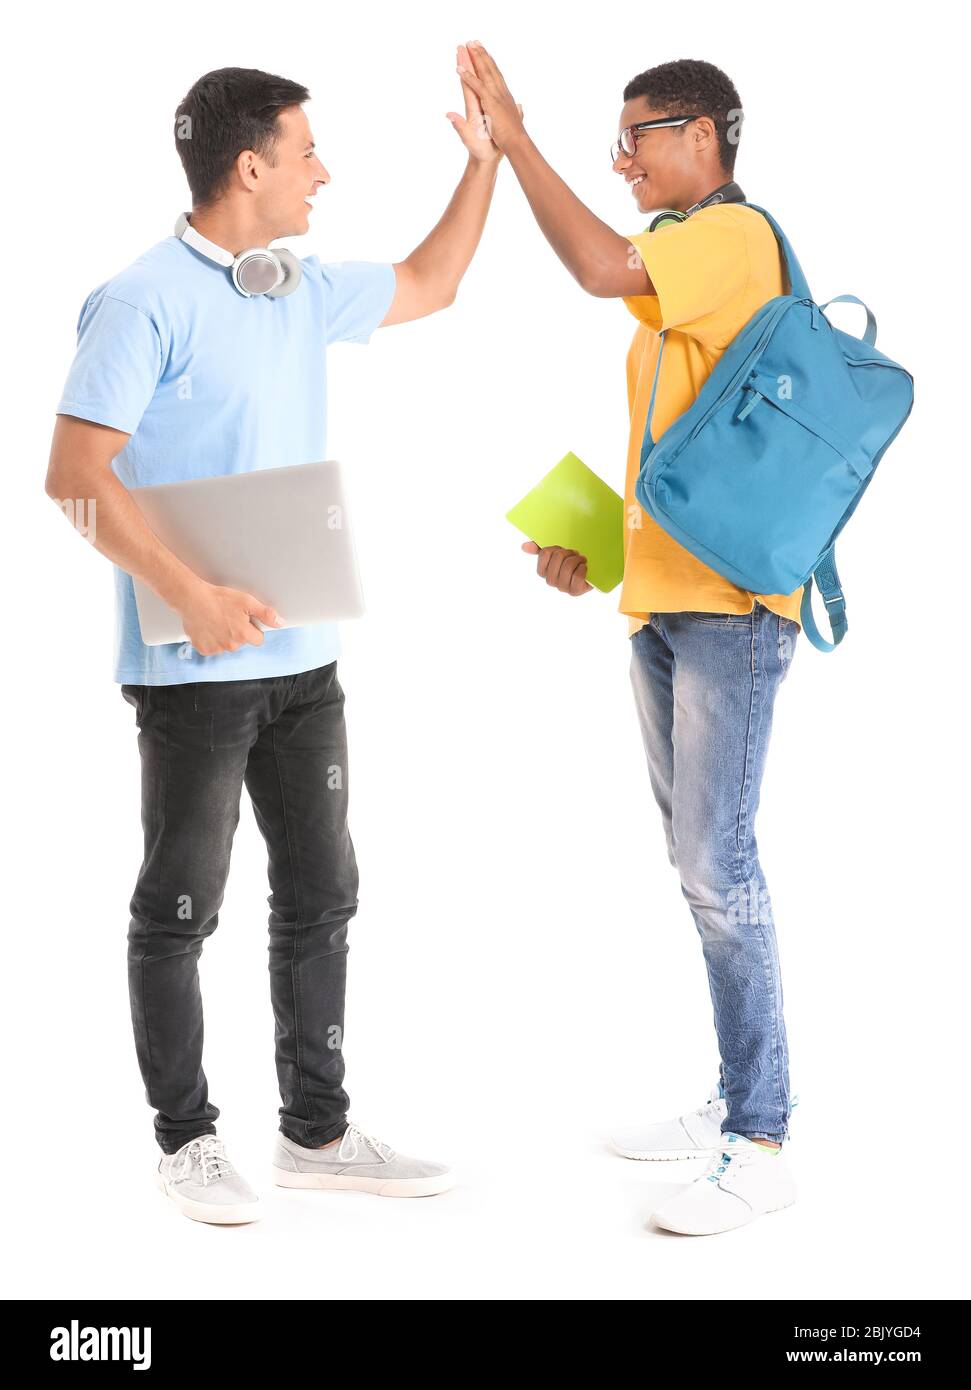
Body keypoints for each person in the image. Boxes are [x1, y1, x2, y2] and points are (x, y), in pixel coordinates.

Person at [46, 56, 502, 1225]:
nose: (322, 173)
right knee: (180, 905)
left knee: (322, 893)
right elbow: (74, 477)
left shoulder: (293, 283)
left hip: (303, 663)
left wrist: (483, 160)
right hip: (192, 669)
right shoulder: (138, 299)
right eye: (306, 154)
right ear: (249, 166)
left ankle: (317, 1132)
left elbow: (430, 282)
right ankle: (187, 1140)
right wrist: (190, 592)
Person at [458, 44, 801, 1235]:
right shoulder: (685, 273)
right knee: (699, 867)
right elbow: (685, 457)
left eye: (636, 135)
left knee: (720, 869)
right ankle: (732, 1099)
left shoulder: (729, 236)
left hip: (731, 613)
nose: (621, 158)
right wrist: (594, 548)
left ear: (702, 133)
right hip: (666, 601)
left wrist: (513, 141)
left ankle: (760, 1137)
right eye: (614, 138)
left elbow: (598, 265)